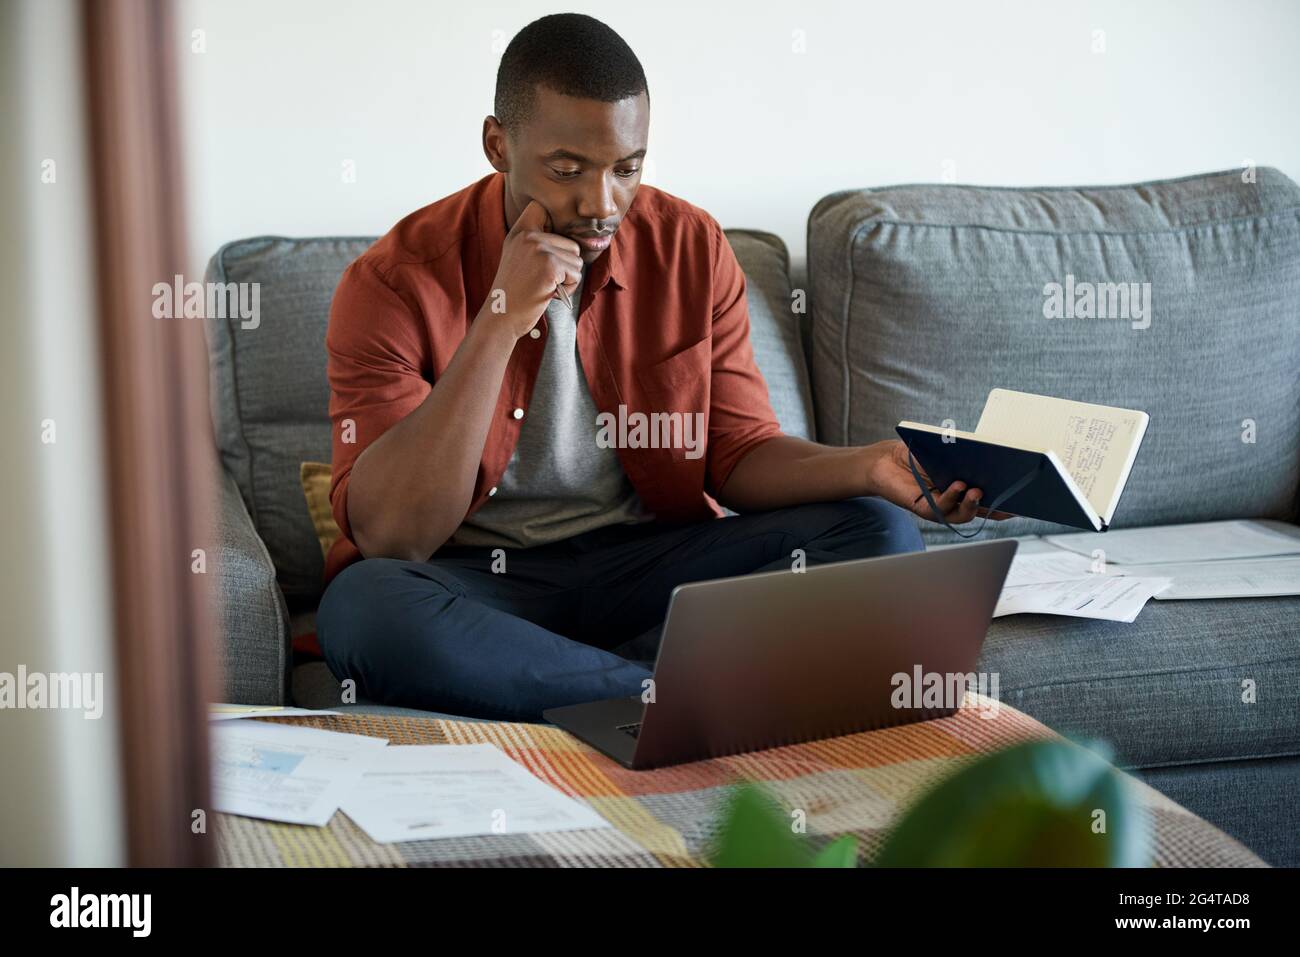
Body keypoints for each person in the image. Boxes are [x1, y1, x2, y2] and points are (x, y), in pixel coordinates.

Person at [316, 13, 1000, 721]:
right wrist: (497, 319)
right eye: (567, 170)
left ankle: (608, 690)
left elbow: (738, 455)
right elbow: (396, 535)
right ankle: (676, 694)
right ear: (498, 144)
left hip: (648, 566)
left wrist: (871, 465)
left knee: (878, 531)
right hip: (480, 584)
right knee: (364, 610)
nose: (600, 202)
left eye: (626, 168)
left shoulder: (690, 246)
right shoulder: (393, 281)